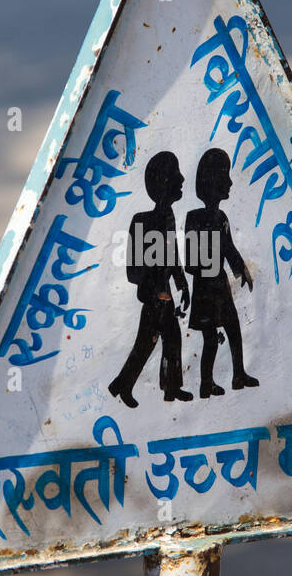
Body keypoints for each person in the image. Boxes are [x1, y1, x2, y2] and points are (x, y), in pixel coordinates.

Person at [108, 152, 192, 407]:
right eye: (176, 174)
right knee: (146, 345)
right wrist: (155, 291)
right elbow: (133, 269)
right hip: (154, 297)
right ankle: (123, 385)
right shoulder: (142, 221)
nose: (182, 179)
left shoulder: (169, 217)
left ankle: (169, 388)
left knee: (169, 341)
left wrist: (182, 284)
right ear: (163, 182)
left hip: (166, 295)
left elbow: (173, 255)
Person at [184, 148, 259, 398]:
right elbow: (191, 259)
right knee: (210, 339)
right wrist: (207, 266)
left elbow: (229, 248)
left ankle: (238, 374)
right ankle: (206, 383)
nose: (230, 182)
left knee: (234, 329)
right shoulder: (194, 217)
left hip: (220, 284)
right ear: (212, 180)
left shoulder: (221, 217)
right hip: (205, 288)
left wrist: (241, 270)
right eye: (224, 176)